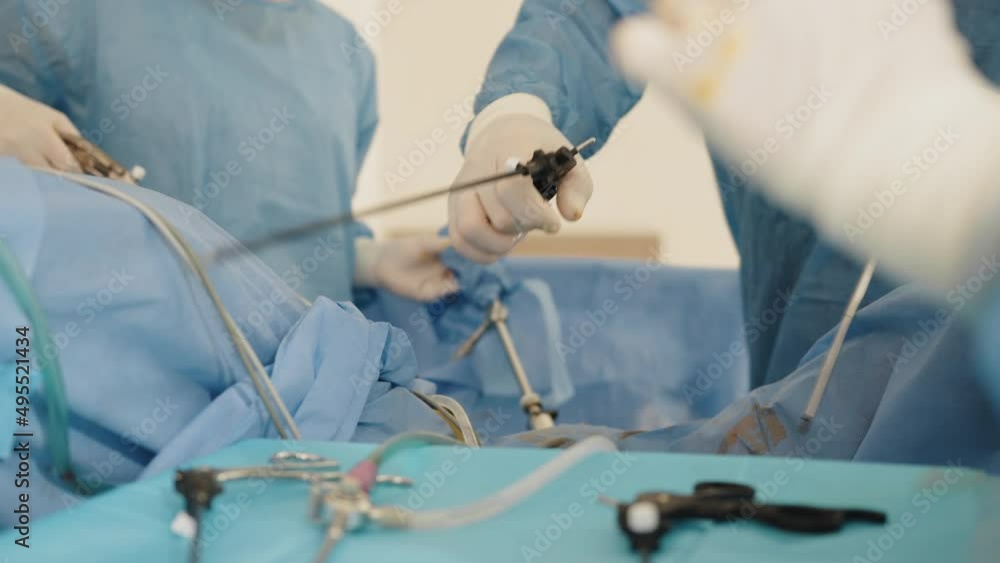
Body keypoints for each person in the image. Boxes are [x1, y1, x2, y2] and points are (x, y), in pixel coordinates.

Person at [0, 0, 454, 303]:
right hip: (124, 386)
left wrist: (370, 262)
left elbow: (297, 227)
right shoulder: (70, 14)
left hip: (307, 389)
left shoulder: (345, 51)